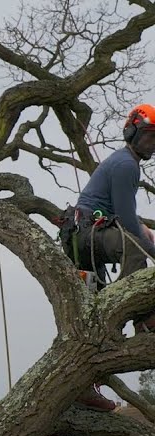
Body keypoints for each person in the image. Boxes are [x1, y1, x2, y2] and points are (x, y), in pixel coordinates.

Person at [60, 103, 155, 411]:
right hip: (88, 235)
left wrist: (140, 227)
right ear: (132, 132)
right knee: (134, 247)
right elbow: (128, 225)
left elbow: (127, 216)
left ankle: (82, 385)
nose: (150, 144)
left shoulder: (123, 161)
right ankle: (136, 313)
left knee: (89, 312)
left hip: (87, 235)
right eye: (147, 137)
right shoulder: (127, 165)